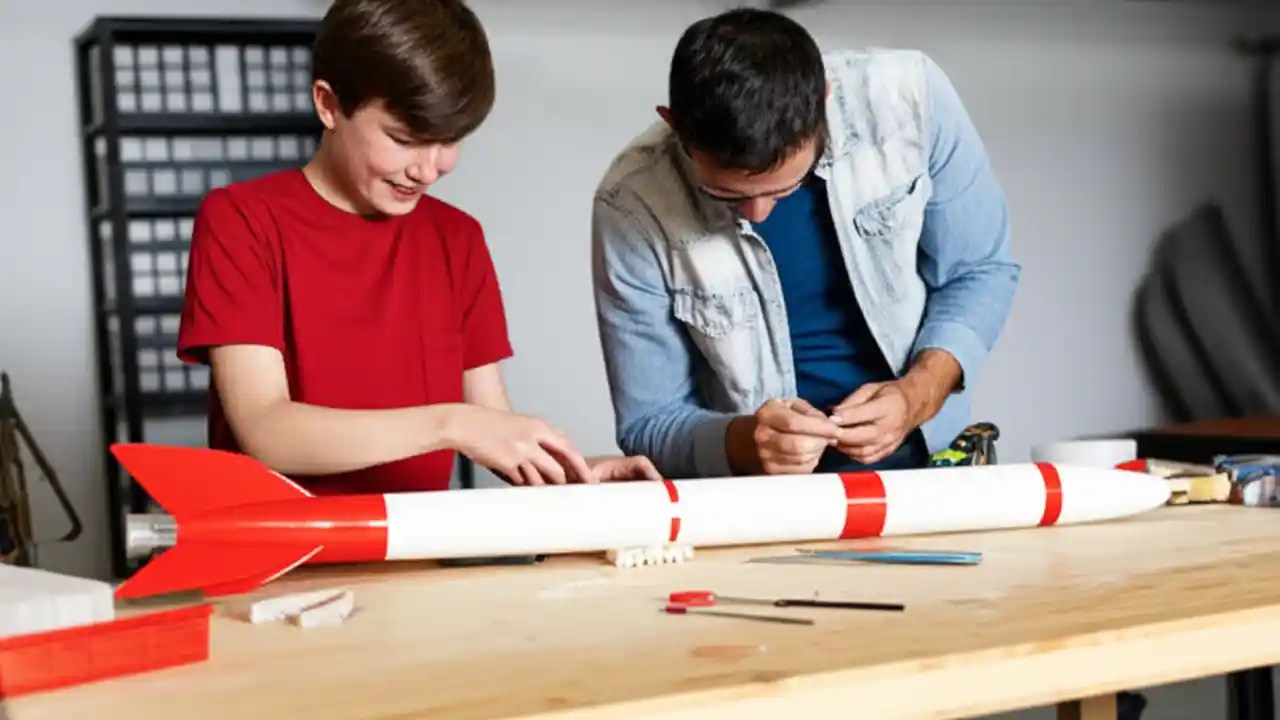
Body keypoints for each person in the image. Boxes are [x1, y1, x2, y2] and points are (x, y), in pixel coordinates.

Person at [177, 0, 659, 495]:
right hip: (284, 558)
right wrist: (452, 424)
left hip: (416, 551)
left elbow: (492, 426)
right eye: (404, 139)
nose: (428, 169)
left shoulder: (457, 239)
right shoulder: (241, 220)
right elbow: (266, 431)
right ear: (328, 104)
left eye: (449, 141)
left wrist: (579, 472)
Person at [591, 8, 1021, 479]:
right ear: (673, 125)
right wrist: (750, 442)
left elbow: (979, 270)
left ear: (824, 105)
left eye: (781, 190)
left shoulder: (910, 100)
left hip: (935, 466)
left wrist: (917, 394)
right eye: (726, 194)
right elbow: (650, 422)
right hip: (764, 501)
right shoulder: (631, 203)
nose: (757, 215)